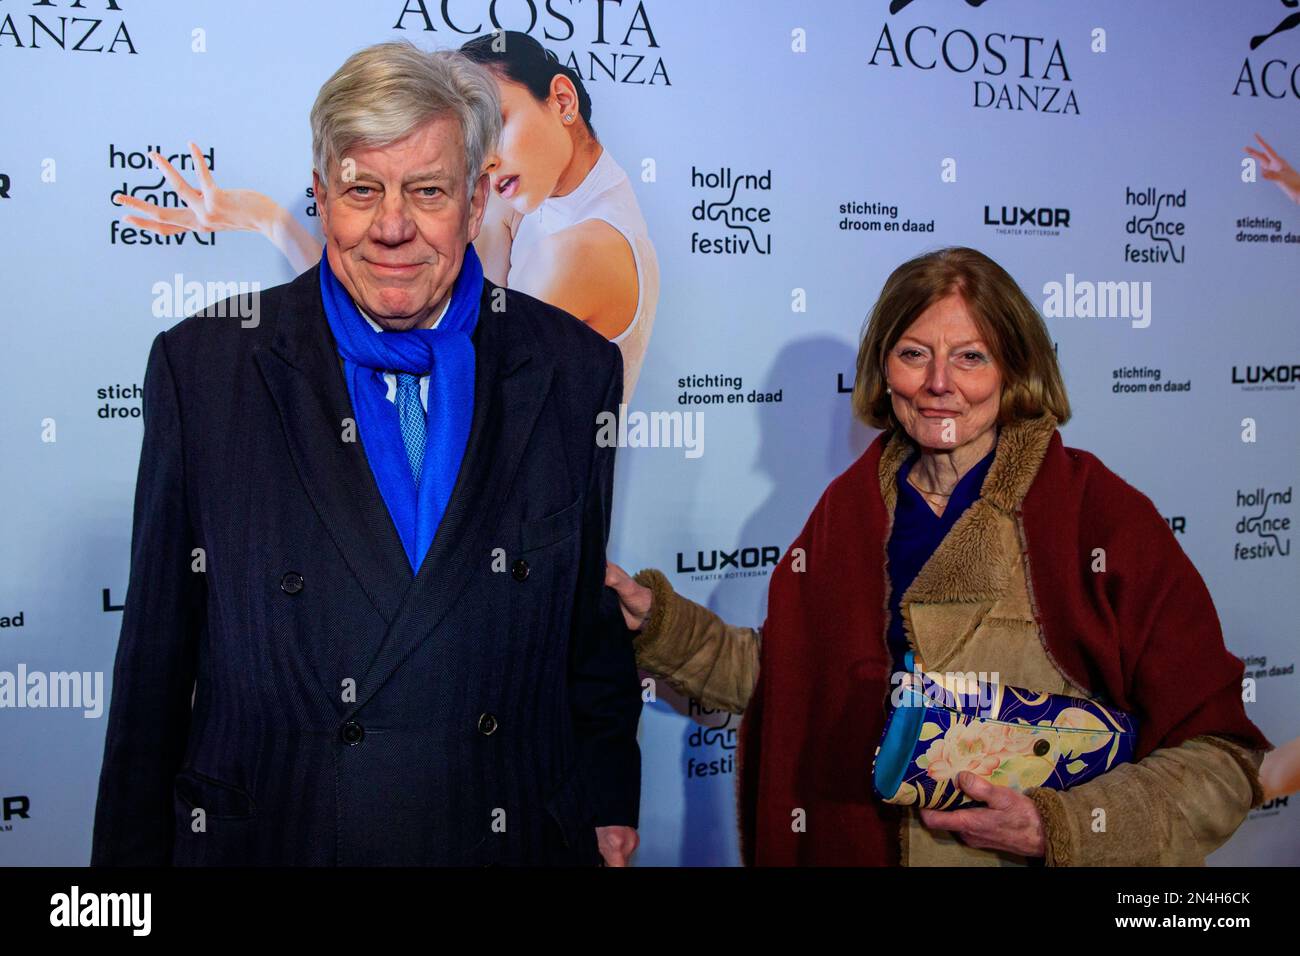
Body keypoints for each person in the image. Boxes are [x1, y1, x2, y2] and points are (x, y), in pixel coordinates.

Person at [92, 41, 642, 867]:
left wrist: (604, 795)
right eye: (361, 190)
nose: (392, 227)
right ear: (320, 198)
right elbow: (154, 668)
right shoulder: (206, 370)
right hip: (285, 837)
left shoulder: (571, 369)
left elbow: (583, 623)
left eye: (427, 191)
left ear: (476, 198)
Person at [607, 246, 1272, 866]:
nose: (937, 384)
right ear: (883, 368)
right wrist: (662, 626)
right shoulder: (849, 508)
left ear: (1016, 368)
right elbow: (792, 679)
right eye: (913, 353)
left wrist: (1058, 826)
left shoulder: (1097, 513)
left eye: (970, 357)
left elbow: (1222, 761)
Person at [111, 32, 658, 400]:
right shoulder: (545, 207)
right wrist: (267, 218)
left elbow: (427, 385)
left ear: (562, 100)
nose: (487, 159)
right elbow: (387, 291)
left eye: (502, 122)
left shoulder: (577, 247)